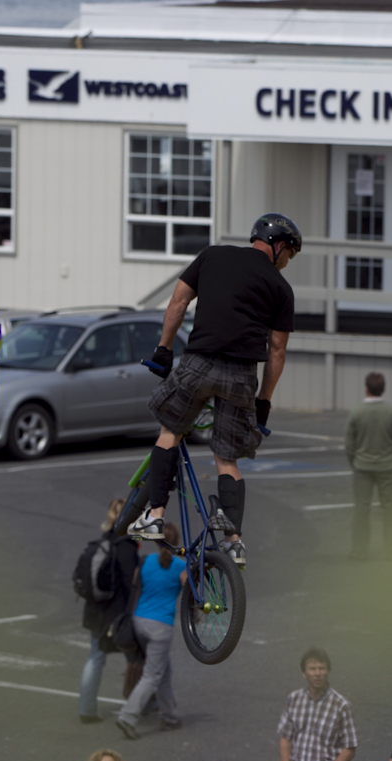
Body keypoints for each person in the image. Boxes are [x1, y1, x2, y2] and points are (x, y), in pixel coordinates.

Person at [129, 213, 303, 570]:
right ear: (279, 246)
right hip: (241, 376)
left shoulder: (212, 256)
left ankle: (155, 515)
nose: (287, 263)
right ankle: (233, 541)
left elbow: (177, 303)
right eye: (290, 256)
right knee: (227, 459)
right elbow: (277, 351)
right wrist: (264, 401)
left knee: (171, 431)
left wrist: (163, 350)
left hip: (199, 364)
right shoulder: (281, 289)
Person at [114, 522, 187, 739]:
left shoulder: (146, 561)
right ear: (177, 543)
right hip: (160, 627)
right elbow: (191, 595)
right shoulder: (180, 566)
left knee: (163, 670)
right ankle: (128, 717)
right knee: (152, 675)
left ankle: (170, 716)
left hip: (139, 622)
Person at [78, 499, 141, 724]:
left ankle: (86, 708)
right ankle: (144, 702)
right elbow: (130, 584)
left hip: (96, 612)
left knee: (95, 658)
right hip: (117, 615)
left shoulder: (102, 542)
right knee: (134, 655)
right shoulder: (126, 546)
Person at [345, 371, 392, 561]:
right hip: (387, 466)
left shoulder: (356, 412)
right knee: (390, 510)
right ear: (383, 389)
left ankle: (359, 551)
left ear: (366, 388)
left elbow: (349, 444)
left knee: (361, 510)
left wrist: (355, 462)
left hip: (363, 466)